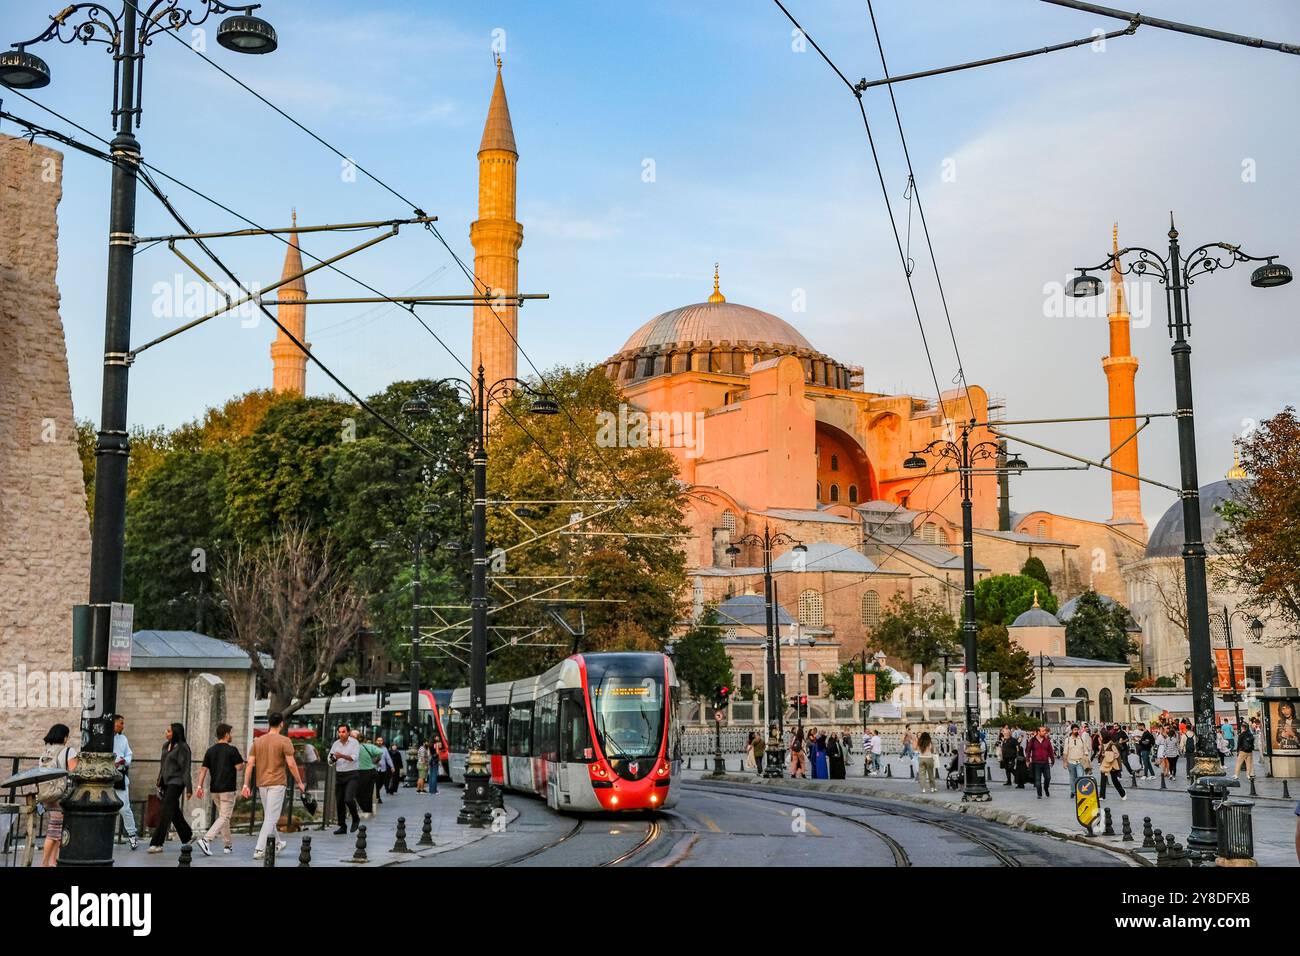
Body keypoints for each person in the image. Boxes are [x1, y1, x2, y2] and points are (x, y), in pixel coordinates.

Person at [241, 711, 306, 860]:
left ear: (269, 723)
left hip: (262, 783)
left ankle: (278, 843)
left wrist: (246, 784)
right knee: (271, 818)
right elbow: (291, 764)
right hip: (277, 783)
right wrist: (299, 782)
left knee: (269, 816)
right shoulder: (284, 741)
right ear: (281, 723)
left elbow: (250, 764)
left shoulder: (257, 741)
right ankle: (259, 849)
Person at [195, 723, 243, 856]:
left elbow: (203, 770)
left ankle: (228, 845)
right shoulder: (232, 750)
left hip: (214, 789)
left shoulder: (210, 751)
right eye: (231, 733)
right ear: (227, 734)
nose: (231, 736)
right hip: (227, 789)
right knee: (224, 817)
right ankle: (206, 839)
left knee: (224, 818)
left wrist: (199, 786)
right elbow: (239, 767)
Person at [148, 723, 193, 854]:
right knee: (173, 810)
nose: (165, 733)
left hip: (177, 782)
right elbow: (162, 766)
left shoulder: (183, 748)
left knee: (165, 811)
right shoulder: (165, 746)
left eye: (168, 731)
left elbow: (185, 768)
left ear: (175, 733)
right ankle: (187, 836)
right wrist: (159, 781)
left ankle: (157, 842)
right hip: (166, 782)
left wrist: (189, 787)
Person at [38, 724, 78, 867]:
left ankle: (53, 862)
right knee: (54, 831)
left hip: (48, 795)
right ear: (64, 736)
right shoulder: (68, 751)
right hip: (62, 795)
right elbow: (74, 771)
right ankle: (44, 864)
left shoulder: (46, 752)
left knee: (56, 830)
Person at [111, 714, 139, 851]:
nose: (123, 725)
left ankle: (132, 835)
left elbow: (129, 754)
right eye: (121, 722)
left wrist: (124, 761)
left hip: (120, 775)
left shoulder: (123, 739)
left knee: (124, 808)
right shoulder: (104, 738)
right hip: (106, 775)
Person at [329, 724, 361, 834]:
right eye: (339, 732)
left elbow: (354, 757)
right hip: (340, 775)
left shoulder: (354, 743)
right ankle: (342, 826)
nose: (341, 734)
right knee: (339, 801)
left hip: (352, 774)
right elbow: (330, 759)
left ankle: (355, 818)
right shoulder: (335, 744)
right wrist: (333, 758)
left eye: (343, 732)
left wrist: (341, 756)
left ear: (348, 732)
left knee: (348, 799)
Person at [1025, 725, 1055, 799]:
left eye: (1045, 731)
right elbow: (1028, 750)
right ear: (1038, 732)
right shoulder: (1033, 740)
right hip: (1036, 762)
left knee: (1048, 777)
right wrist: (1027, 760)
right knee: (1038, 780)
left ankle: (1046, 788)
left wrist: (1052, 759)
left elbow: (1050, 751)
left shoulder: (1047, 741)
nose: (1045, 732)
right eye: (1043, 731)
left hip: (1045, 763)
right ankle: (1039, 794)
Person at [1098, 735, 1127, 801]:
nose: (1101, 738)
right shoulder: (1102, 744)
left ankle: (1123, 793)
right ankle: (1102, 796)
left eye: (1102, 736)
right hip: (1105, 764)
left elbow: (1117, 754)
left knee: (1114, 780)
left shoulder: (1112, 745)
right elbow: (1101, 753)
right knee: (1103, 779)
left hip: (1112, 764)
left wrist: (1107, 755)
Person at [1063, 724, 1091, 793]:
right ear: (1072, 730)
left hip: (1080, 762)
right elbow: (1065, 752)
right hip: (1070, 762)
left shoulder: (1081, 739)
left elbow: (1085, 750)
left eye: (1077, 730)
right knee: (1072, 778)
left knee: (1080, 777)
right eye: (1075, 730)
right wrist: (1064, 762)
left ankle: (1080, 792)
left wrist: (1086, 756)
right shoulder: (1068, 740)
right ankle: (1073, 792)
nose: (1076, 731)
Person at [373, 735, 392, 806]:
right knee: (377, 783)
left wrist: (392, 766)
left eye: (381, 741)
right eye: (378, 741)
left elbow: (388, 758)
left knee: (381, 784)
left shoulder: (385, 749)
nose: (380, 742)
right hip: (376, 769)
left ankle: (377, 793)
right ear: (376, 741)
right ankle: (378, 797)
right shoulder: (373, 748)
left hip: (383, 769)